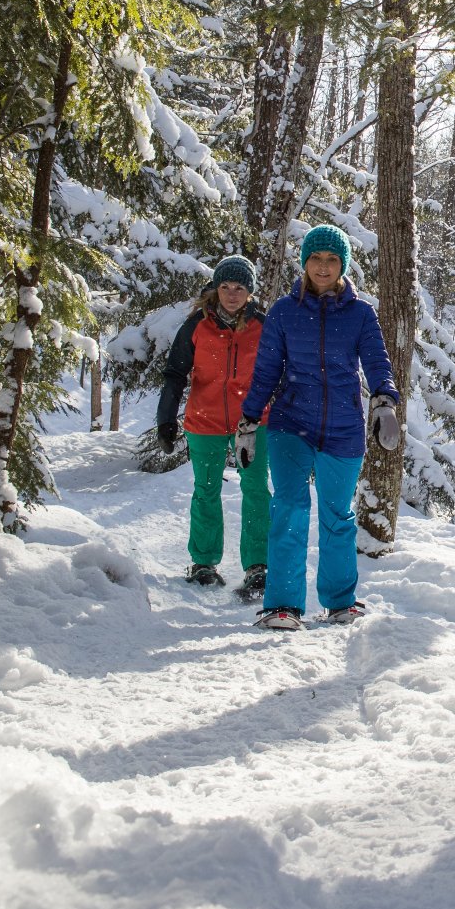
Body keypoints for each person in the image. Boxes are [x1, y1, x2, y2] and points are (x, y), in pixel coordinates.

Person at [238, 224, 402, 630]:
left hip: (344, 427)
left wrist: (384, 400)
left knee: (337, 515)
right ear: (304, 262)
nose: (323, 267)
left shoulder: (361, 313)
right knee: (290, 508)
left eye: (332, 259)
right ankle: (282, 606)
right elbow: (265, 372)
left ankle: (339, 601)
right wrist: (247, 421)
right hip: (291, 424)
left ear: (343, 265)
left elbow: (377, 360)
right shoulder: (283, 312)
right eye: (316, 258)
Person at [157, 255, 271, 593]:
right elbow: (175, 373)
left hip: (252, 423)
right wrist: (166, 419)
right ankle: (204, 563)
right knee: (206, 489)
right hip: (204, 421)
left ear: (249, 291)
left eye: (239, 288)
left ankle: (258, 565)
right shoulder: (197, 325)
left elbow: (278, 375)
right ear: (216, 289)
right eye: (225, 287)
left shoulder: (263, 327)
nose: (232, 294)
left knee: (255, 491)